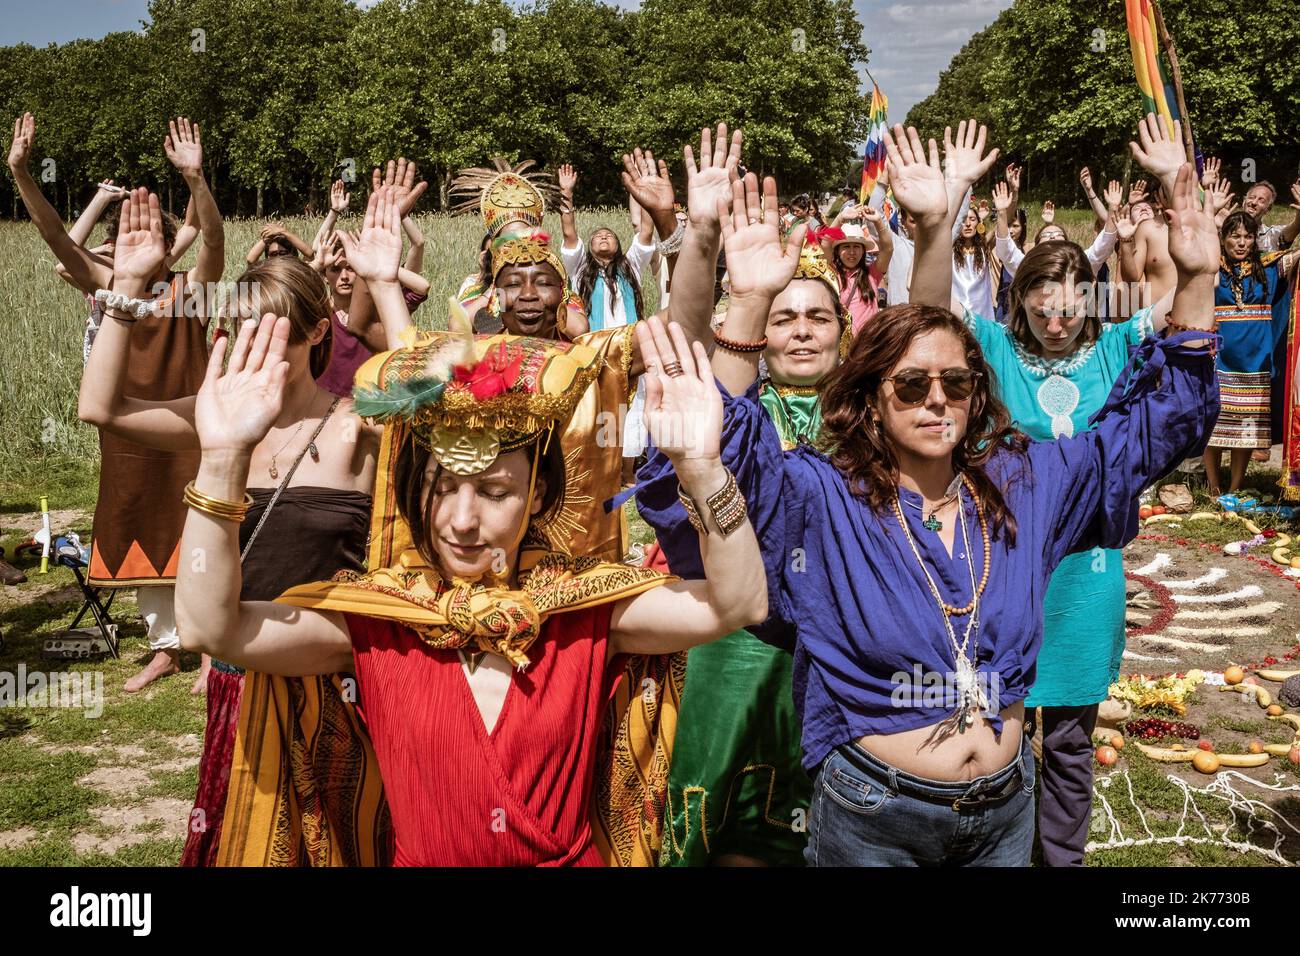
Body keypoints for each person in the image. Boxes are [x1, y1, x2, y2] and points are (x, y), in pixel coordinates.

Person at [638, 119, 1220, 867]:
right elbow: (702, 467)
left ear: (979, 396)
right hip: (874, 816)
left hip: (1006, 812)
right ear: (872, 398)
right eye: (910, 384)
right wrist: (747, 306)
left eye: (957, 383)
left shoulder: (1026, 482)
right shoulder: (825, 495)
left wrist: (1197, 282)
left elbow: (1152, 433)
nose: (935, 399)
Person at [170, 265, 769, 865]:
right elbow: (209, 628)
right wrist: (222, 462)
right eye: (442, 486)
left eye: (493, 492)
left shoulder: (582, 612)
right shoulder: (380, 620)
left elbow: (739, 602)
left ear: (537, 497)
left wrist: (702, 469)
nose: (460, 520)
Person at [77, 187, 384, 865]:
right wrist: (126, 290)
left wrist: (386, 289)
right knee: (243, 840)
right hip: (238, 679)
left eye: (274, 328)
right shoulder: (213, 417)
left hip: (334, 676)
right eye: (244, 329)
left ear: (314, 331)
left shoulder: (357, 424)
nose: (257, 345)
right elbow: (100, 406)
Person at [10, 113, 225, 694]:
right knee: (140, 523)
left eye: (154, 234)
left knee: (198, 529)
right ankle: (164, 648)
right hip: (127, 431)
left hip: (187, 427)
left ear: (166, 241)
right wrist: (22, 173)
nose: (142, 242)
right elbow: (57, 238)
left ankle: (209, 650)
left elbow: (214, 241)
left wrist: (197, 181)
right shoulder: (108, 292)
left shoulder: (192, 292)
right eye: (135, 236)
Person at [1202, 209, 1300, 495]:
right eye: (1235, 236)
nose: (1242, 242)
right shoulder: (1212, 269)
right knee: (1215, 425)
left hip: (1255, 360)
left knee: (1245, 428)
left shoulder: (1269, 267)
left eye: (1248, 237)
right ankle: (1213, 486)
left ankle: (1234, 487)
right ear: (1223, 238)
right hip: (1218, 358)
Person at [830, 209, 892, 333]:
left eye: (857, 246)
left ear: (864, 251)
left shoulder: (872, 274)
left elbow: (888, 249)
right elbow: (825, 242)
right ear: (837, 250)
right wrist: (840, 218)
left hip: (868, 345)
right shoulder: (831, 272)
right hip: (840, 345)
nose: (852, 252)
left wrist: (878, 221)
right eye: (846, 246)